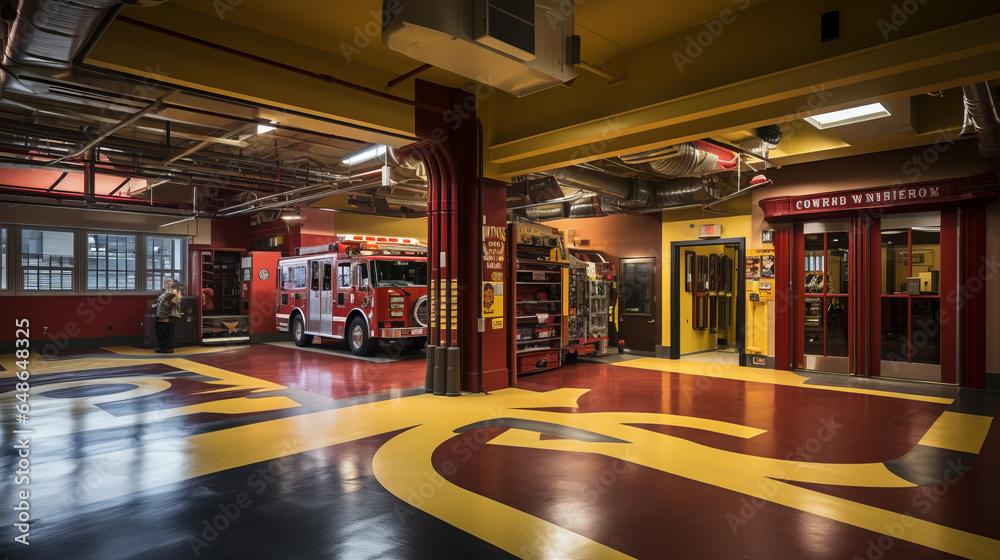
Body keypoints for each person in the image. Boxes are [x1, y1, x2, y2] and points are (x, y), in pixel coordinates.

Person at [155, 283, 183, 353]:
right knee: (163, 331)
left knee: (168, 331)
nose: (166, 285)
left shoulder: (173, 293)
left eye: (169, 284)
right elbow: (159, 299)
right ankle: (164, 347)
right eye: (166, 284)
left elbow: (165, 301)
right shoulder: (168, 293)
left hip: (169, 315)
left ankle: (169, 347)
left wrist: (164, 296)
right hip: (164, 315)